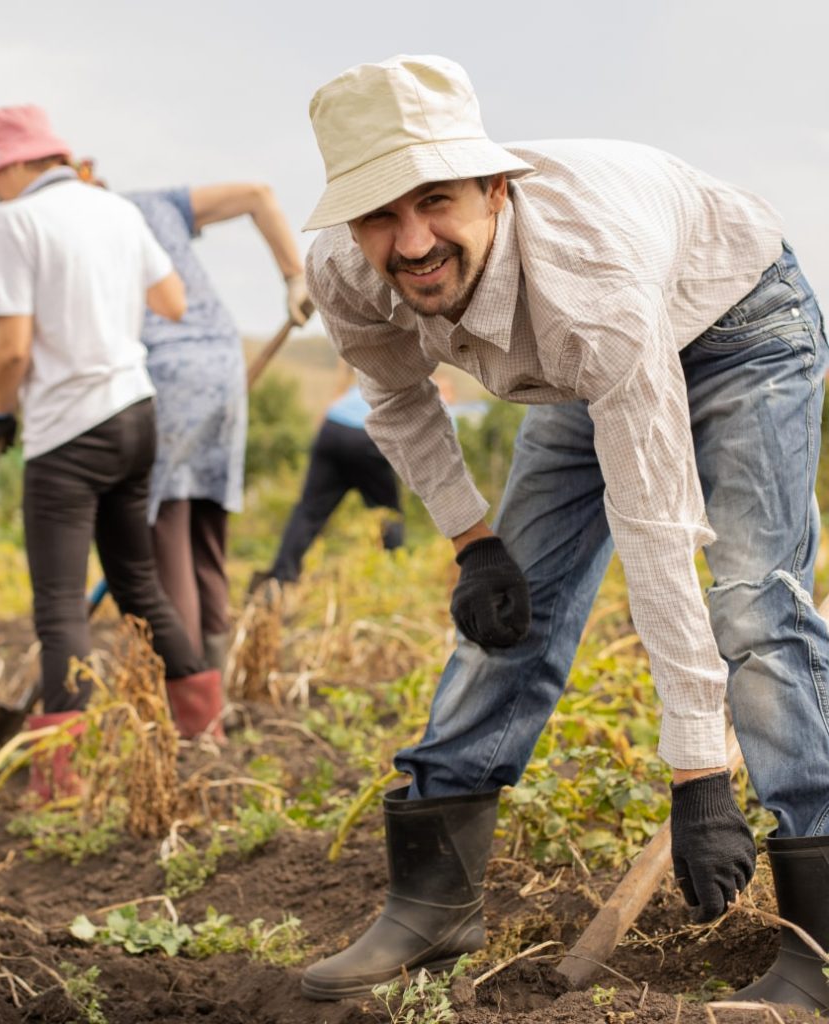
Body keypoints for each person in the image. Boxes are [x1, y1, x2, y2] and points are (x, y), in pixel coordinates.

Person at [297, 55, 829, 1008]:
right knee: (510, 610)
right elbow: (400, 403)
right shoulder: (345, 269)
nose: (411, 242)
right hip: (575, 366)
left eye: (436, 202)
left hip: (734, 321)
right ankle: (432, 906)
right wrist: (474, 544)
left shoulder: (589, 283)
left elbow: (656, 525)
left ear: (496, 187)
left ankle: (821, 939)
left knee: (753, 604)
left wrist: (698, 771)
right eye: (381, 214)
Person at [0, 105, 223, 797]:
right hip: (135, 415)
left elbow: (13, 348)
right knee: (137, 584)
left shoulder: (16, 224)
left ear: (21, 163)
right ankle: (205, 727)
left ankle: (61, 780)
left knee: (57, 604)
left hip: (67, 432)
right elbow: (170, 300)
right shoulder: (115, 211)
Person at [123, 184, 309, 677]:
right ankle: (213, 694)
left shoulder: (90, 220)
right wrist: (295, 277)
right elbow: (258, 193)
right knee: (205, 529)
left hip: (163, 371)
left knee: (166, 531)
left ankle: (188, 700)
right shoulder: (156, 203)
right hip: (221, 364)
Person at [249, 378, 405, 592]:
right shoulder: (419, 383)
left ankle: (281, 577)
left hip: (333, 428)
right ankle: (393, 579)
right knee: (387, 513)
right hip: (369, 435)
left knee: (309, 511)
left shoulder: (370, 374)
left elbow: (331, 408)